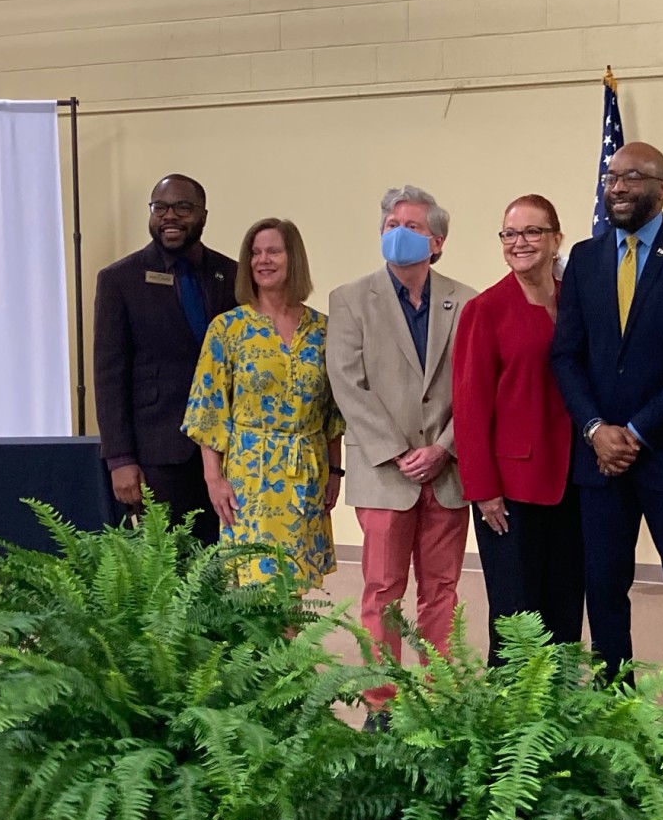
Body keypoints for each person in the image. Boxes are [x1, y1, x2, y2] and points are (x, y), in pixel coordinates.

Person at [550, 142, 663, 720]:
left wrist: (638, 430)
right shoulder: (584, 256)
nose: (618, 187)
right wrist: (598, 429)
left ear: (662, 189)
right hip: (598, 459)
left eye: (632, 177)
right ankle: (613, 707)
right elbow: (566, 356)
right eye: (611, 177)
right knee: (603, 589)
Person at [327, 185, 477, 708]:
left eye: (411, 227)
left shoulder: (469, 301)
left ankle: (440, 698)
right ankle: (382, 702)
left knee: (442, 593)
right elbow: (349, 385)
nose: (398, 234)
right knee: (382, 593)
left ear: (436, 241)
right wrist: (398, 451)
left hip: (448, 470)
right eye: (390, 225)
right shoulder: (349, 300)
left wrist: (444, 448)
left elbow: (477, 388)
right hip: (385, 474)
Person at [453, 195, 583, 661]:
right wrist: (483, 490)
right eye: (510, 234)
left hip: (574, 481)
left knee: (565, 610)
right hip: (510, 492)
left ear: (556, 240)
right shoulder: (485, 310)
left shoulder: (577, 302)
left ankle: (561, 715)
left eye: (532, 232)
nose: (520, 242)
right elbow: (469, 408)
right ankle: (509, 724)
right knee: (516, 616)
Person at [181, 218, 343, 588]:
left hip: (307, 470)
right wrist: (213, 478)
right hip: (250, 476)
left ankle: (289, 649)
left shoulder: (322, 330)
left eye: (273, 251)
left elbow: (333, 410)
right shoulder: (228, 329)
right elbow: (208, 409)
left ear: (293, 258)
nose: (262, 260)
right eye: (254, 253)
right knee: (254, 587)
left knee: (293, 585)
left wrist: (335, 472)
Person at [94, 174, 237, 545]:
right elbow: (109, 376)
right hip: (156, 453)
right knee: (165, 567)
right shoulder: (119, 280)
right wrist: (119, 459)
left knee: (216, 564)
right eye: (160, 208)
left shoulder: (232, 275)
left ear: (203, 214)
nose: (170, 216)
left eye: (183, 207)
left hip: (226, 450)